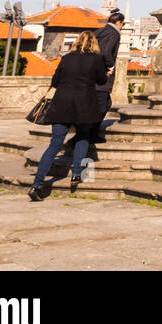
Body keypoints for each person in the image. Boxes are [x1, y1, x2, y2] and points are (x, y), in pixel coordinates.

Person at [28, 32, 107, 200]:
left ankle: (37, 184)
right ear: (94, 44)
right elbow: (101, 81)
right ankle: (77, 174)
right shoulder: (97, 59)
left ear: (77, 42)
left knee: (54, 145)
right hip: (85, 105)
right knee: (82, 137)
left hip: (61, 104)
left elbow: (55, 81)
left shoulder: (66, 58)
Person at [91, 10, 125, 143]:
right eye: (122, 24)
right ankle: (89, 134)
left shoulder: (100, 31)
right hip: (103, 75)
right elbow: (106, 52)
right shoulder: (114, 33)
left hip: (93, 72)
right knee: (102, 104)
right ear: (118, 23)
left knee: (104, 103)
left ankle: (89, 132)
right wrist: (110, 66)